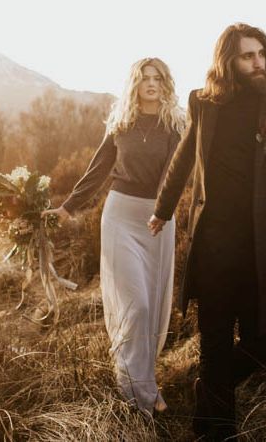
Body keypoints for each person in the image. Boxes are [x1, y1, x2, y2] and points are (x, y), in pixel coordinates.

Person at [148, 23, 266, 439]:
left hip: (260, 249)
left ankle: (210, 389)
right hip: (213, 246)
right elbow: (184, 159)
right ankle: (215, 432)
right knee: (214, 343)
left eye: (262, 55)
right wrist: (163, 210)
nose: (258, 63)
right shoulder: (204, 105)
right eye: (247, 56)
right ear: (229, 62)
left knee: (263, 343)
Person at [43, 57, 185, 415]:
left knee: (150, 307)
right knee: (135, 304)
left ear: (165, 83)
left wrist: (162, 212)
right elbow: (97, 171)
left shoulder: (175, 125)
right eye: (144, 78)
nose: (151, 84)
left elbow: (174, 173)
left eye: (157, 78)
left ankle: (140, 380)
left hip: (157, 218)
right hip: (120, 216)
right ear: (134, 83)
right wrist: (67, 207)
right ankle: (140, 392)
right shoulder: (121, 123)